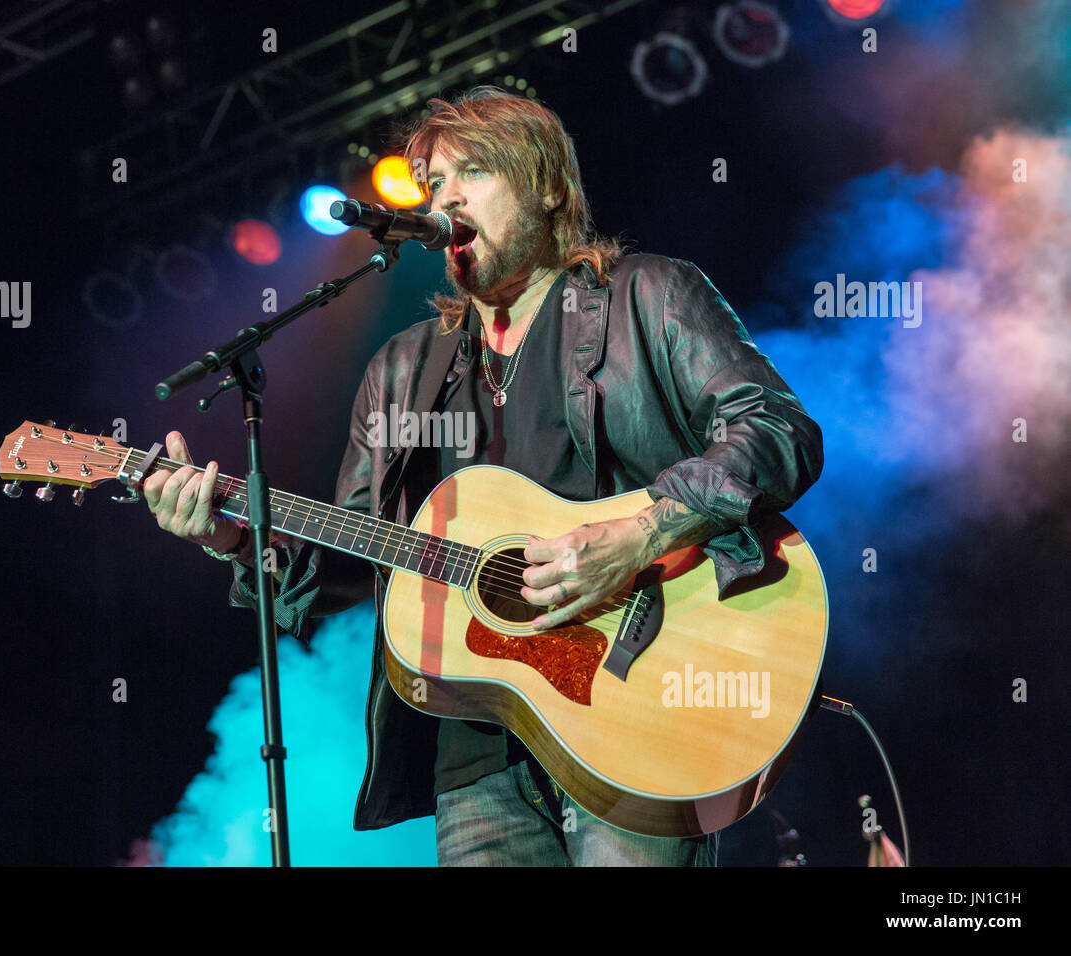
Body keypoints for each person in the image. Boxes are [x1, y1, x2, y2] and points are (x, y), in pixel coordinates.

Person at [142, 87, 823, 866]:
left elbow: (777, 430)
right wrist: (230, 537)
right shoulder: (402, 370)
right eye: (433, 183)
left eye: (474, 172)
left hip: (638, 717)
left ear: (546, 186)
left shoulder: (649, 295)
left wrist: (637, 537)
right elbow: (346, 558)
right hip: (472, 756)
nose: (445, 197)